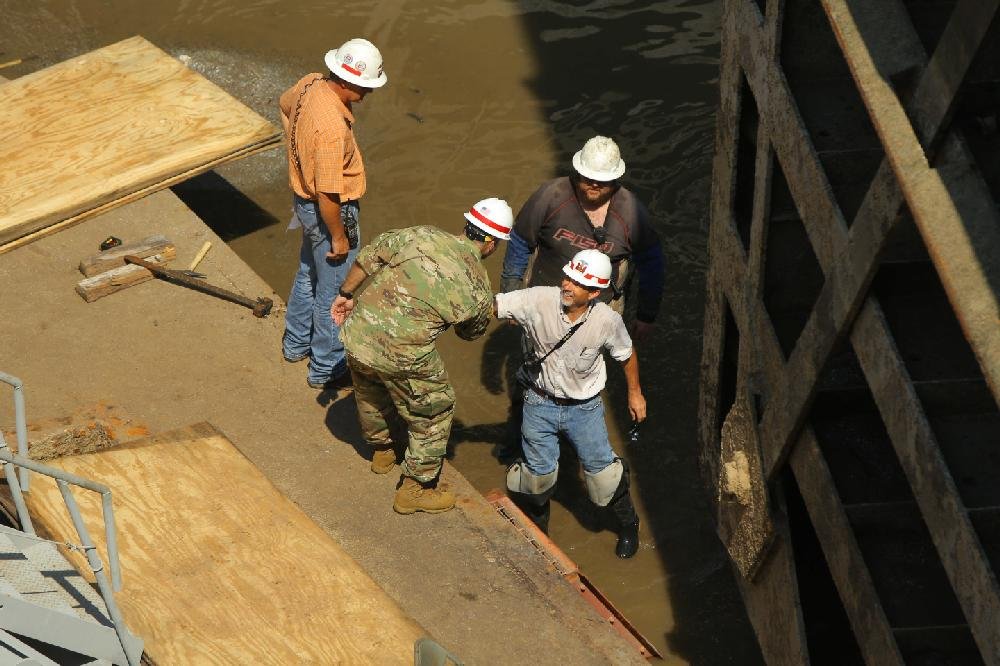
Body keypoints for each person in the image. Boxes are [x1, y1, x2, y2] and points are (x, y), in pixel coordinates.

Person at [331, 198, 513, 514]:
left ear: (467, 224)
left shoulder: (421, 234)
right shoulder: (477, 285)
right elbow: (470, 334)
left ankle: (383, 451)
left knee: (370, 389)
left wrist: (345, 294)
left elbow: (370, 256)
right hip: (402, 353)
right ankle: (415, 489)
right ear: (492, 243)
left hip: (357, 333)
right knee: (436, 409)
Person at [494, 249, 646, 558]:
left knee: (603, 478)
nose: (567, 285)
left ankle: (629, 525)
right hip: (539, 402)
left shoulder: (607, 321)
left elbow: (626, 355)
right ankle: (541, 539)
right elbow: (493, 306)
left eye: (577, 283)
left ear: (594, 293)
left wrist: (635, 393)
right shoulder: (538, 299)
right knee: (536, 478)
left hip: (584, 410)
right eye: (567, 278)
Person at [279, 38, 387, 389]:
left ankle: (295, 344)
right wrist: (339, 236)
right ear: (347, 80)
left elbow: (284, 105)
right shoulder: (331, 129)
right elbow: (328, 194)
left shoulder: (310, 83)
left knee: (308, 272)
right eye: (366, 85)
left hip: (303, 202)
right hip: (329, 212)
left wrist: (298, 154)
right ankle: (325, 367)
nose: (369, 92)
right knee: (335, 290)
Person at [500, 135, 664, 340]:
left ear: (615, 178)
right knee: (535, 352)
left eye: (602, 180)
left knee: (589, 356)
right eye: (588, 178)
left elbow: (651, 265)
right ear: (578, 172)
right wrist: (511, 296)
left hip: (600, 306)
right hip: (543, 299)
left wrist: (646, 316)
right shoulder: (551, 196)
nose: (594, 184)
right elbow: (520, 242)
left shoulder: (632, 213)